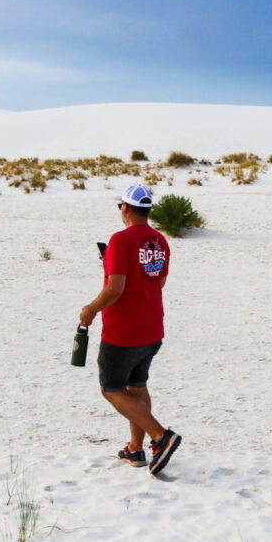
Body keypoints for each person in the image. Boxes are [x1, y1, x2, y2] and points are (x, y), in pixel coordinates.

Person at [79, 183, 181, 475]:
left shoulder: (120, 241)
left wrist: (91, 309)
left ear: (125, 208)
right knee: (137, 387)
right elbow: (157, 282)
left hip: (124, 332)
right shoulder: (160, 241)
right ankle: (135, 449)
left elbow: (115, 288)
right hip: (152, 329)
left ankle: (161, 437)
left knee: (111, 389)